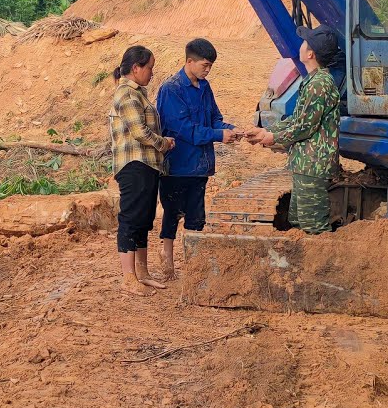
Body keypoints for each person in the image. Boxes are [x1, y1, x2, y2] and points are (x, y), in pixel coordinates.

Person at [244, 25, 342, 234]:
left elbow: (305, 127)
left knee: (314, 227)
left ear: (310, 53)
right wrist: (265, 132)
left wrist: (272, 136)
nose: (301, 45)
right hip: (304, 164)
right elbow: (297, 119)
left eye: (305, 42)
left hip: (313, 165)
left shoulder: (319, 84)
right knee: (297, 221)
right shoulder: (313, 81)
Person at [154, 38, 239, 280]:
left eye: (210, 66)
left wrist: (233, 129)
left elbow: (215, 118)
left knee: (196, 216)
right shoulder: (171, 89)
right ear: (189, 61)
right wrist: (219, 135)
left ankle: (192, 265)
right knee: (172, 213)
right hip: (177, 165)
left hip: (199, 165)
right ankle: (167, 258)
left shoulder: (205, 87)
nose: (207, 69)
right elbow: (184, 129)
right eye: (205, 65)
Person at [108, 45, 176, 296]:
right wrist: (164, 143)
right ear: (136, 68)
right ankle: (129, 278)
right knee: (131, 219)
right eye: (149, 68)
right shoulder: (127, 94)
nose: (151, 73)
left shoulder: (138, 94)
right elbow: (139, 132)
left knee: (143, 219)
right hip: (134, 164)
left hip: (146, 164)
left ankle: (142, 273)